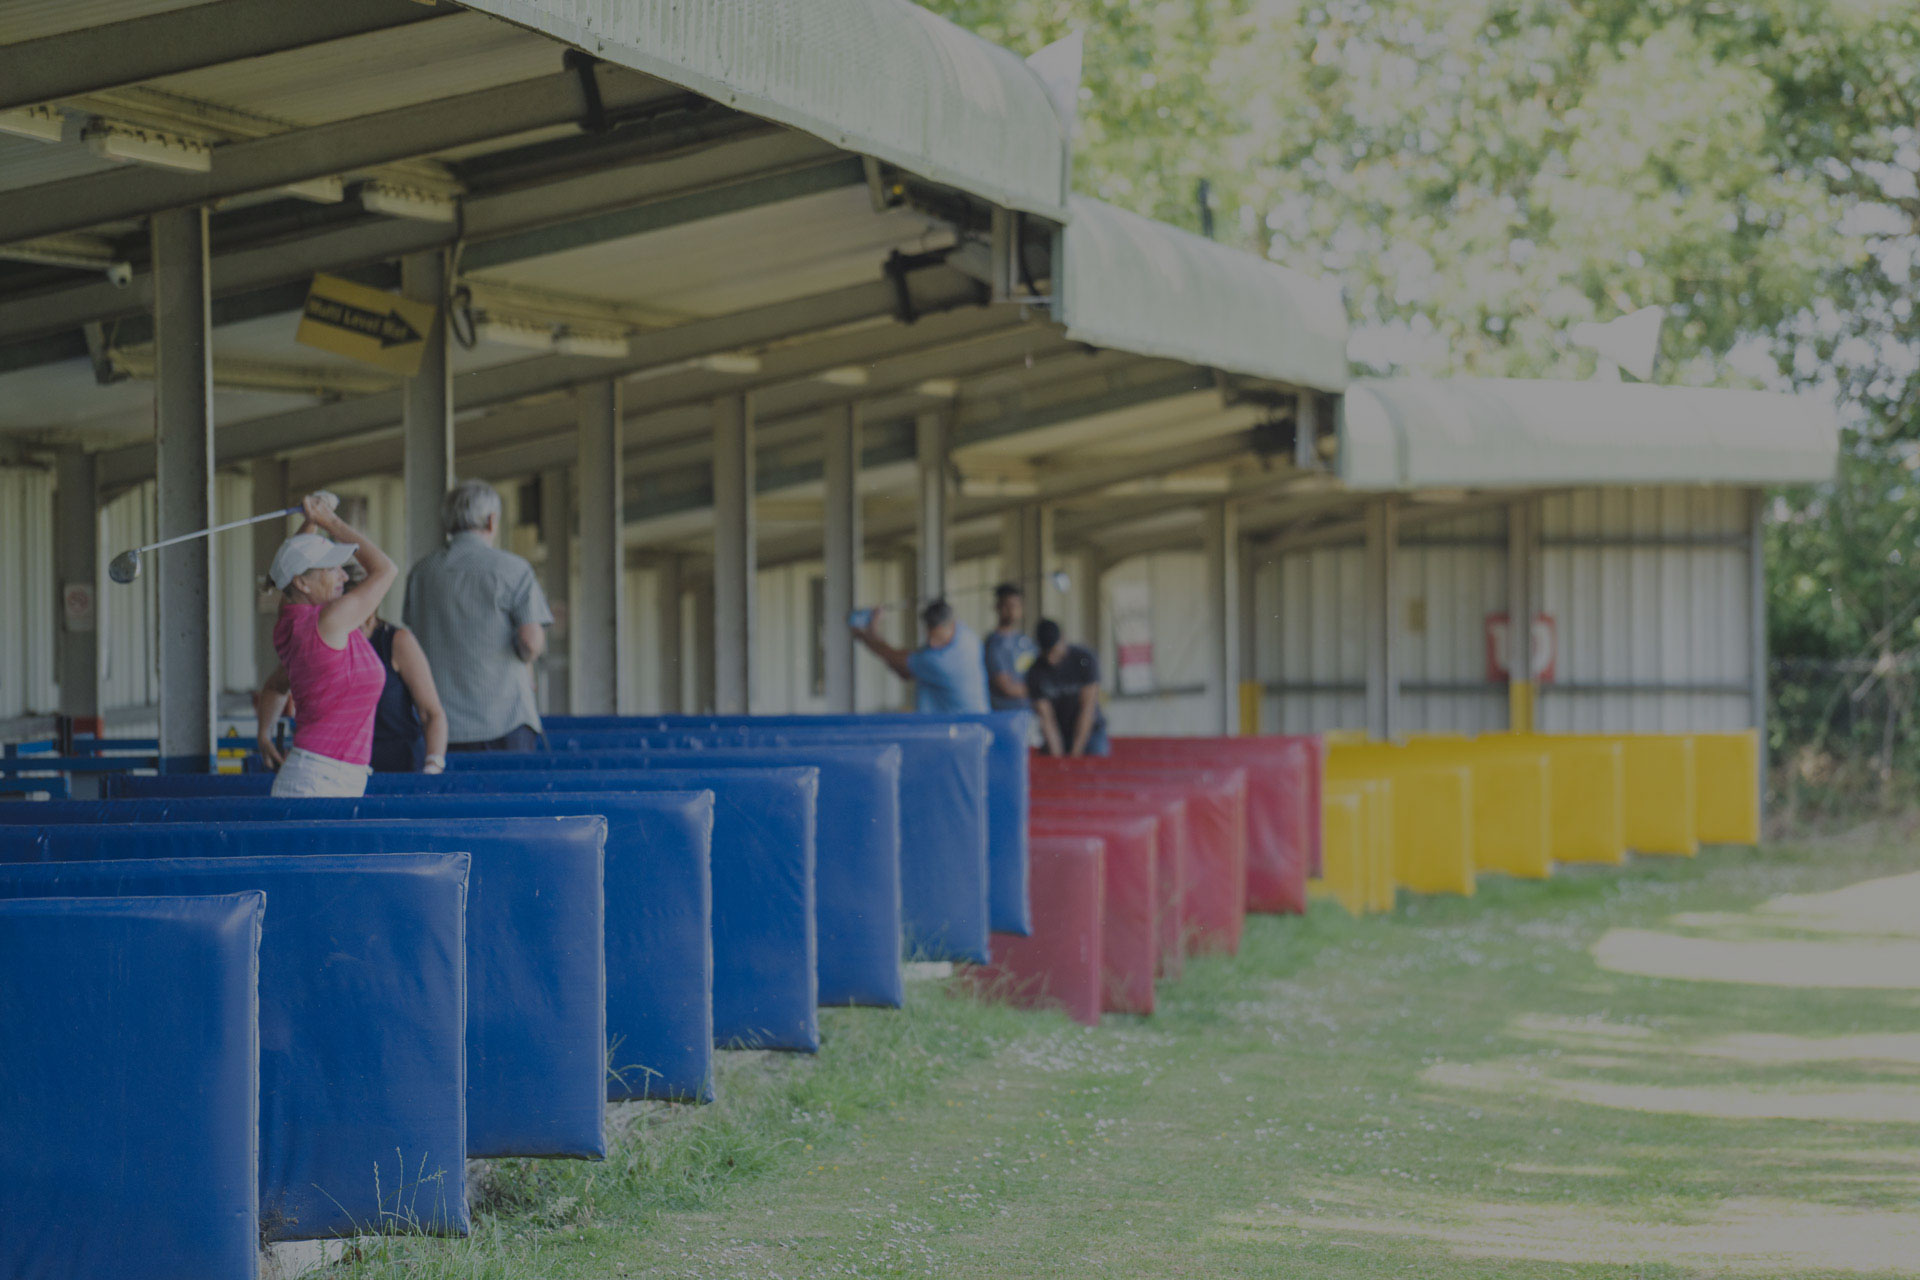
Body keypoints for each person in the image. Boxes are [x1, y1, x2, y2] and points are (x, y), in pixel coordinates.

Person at [259, 493, 397, 797]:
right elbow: (386, 570)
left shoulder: (291, 620)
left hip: (322, 775)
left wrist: (311, 520)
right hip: (320, 779)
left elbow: (290, 564)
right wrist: (329, 521)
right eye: (332, 568)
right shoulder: (329, 620)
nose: (344, 575)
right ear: (303, 584)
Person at [403, 479, 553, 753]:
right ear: (492, 521)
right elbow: (531, 641)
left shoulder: (421, 573)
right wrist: (526, 656)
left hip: (439, 728)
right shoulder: (514, 570)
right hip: (505, 721)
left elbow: (411, 637)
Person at [257, 565, 450, 775]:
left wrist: (434, 764)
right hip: (340, 767)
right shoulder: (319, 643)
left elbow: (432, 713)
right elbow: (277, 686)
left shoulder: (396, 641)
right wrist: (264, 734)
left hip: (400, 765)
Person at [851, 597, 989, 713]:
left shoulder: (940, 662)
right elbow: (903, 669)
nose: (932, 644)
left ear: (950, 625)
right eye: (930, 637)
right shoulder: (966, 634)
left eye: (938, 638)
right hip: (971, 719)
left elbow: (891, 656)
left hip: (958, 728)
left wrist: (866, 631)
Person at [1027, 618, 1109, 757]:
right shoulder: (1035, 672)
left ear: (1063, 640)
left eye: (1053, 650)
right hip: (1059, 733)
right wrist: (1059, 761)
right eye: (1046, 653)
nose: (1051, 659)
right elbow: (1047, 720)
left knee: (1095, 760)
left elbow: (1087, 709)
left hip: (1090, 731)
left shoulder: (1084, 659)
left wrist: (1075, 754)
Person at [983, 582, 1039, 712]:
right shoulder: (994, 644)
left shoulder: (1025, 641)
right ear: (997, 607)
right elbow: (1007, 688)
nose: (1012, 610)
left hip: (1030, 712)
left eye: (1016, 605)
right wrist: (1039, 689)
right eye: (1007, 606)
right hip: (1007, 715)